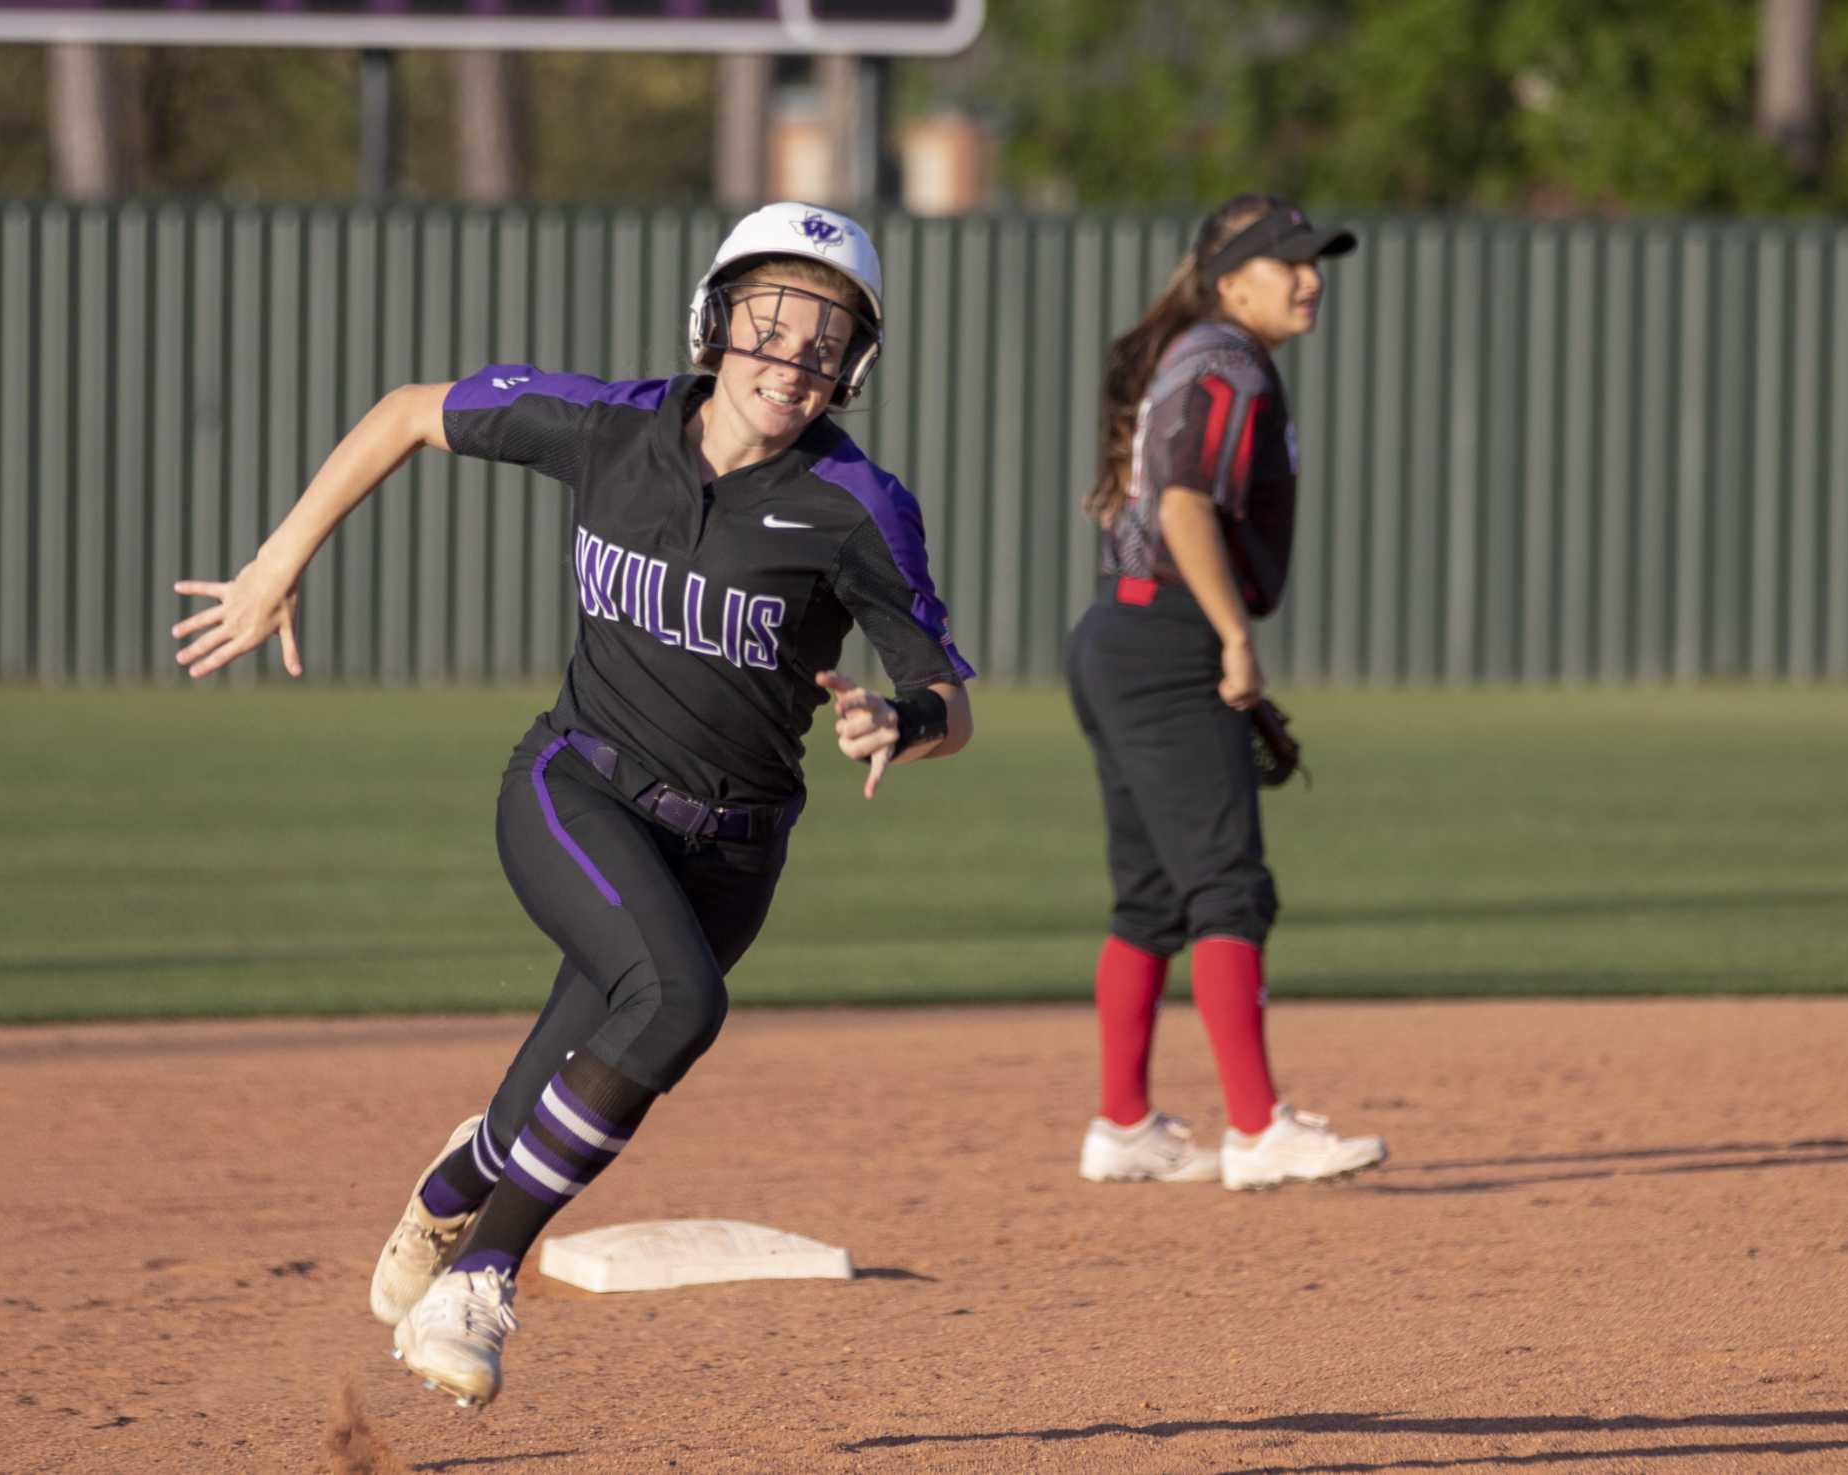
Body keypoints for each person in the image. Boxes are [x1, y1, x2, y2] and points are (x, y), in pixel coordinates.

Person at [170, 202, 974, 1407]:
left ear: (850, 367)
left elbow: (947, 698)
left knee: (566, 1076)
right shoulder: (608, 425)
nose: (791, 358)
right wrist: (278, 562)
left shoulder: (856, 504)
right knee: (678, 1001)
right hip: (576, 785)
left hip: (734, 852)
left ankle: (460, 1184)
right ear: (714, 321)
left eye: (824, 339)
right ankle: (483, 1273)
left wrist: (898, 723)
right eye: (770, 320)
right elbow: (404, 413)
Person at [1066, 194, 1387, 1192]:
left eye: (1314, 258)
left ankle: (1124, 1124)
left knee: (1153, 895)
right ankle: (1255, 1128)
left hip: (1117, 632)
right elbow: (1182, 502)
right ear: (1229, 279)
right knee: (1225, 886)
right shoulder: (1226, 361)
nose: (1309, 276)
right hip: (1166, 635)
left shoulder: (1195, 353)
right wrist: (1231, 636)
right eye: (1287, 260)